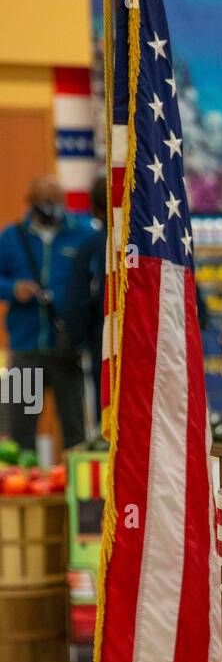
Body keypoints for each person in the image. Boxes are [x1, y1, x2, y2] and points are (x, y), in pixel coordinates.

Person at [0, 174, 93, 454]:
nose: (50, 207)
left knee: (75, 430)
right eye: (43, 202)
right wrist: (12, 288)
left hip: (66, 350)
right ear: (30, 203)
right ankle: (19, 487)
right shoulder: (11, 236)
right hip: (25, 348)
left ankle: (77, 492)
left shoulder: (83, 234)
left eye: (54, 201)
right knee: (18, 427)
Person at [64, 175, 107, 426]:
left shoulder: (90, 246)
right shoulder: (151, 243)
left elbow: (77, 300)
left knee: (108, 416)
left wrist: (75, 340)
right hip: (151, 342)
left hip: (102, 341)